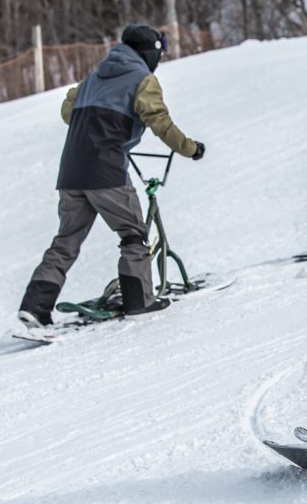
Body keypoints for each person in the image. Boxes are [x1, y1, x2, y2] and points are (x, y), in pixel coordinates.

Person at [18, 24, 205, 327]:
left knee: (65, 242)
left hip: (71, 172)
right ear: (150, 53)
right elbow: (160, 122)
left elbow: (69, 111)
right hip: (106, 172)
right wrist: (190, 148)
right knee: (133, 234)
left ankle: (35, 307)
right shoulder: (144, 80)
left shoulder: (93, 79)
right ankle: (139, 300)